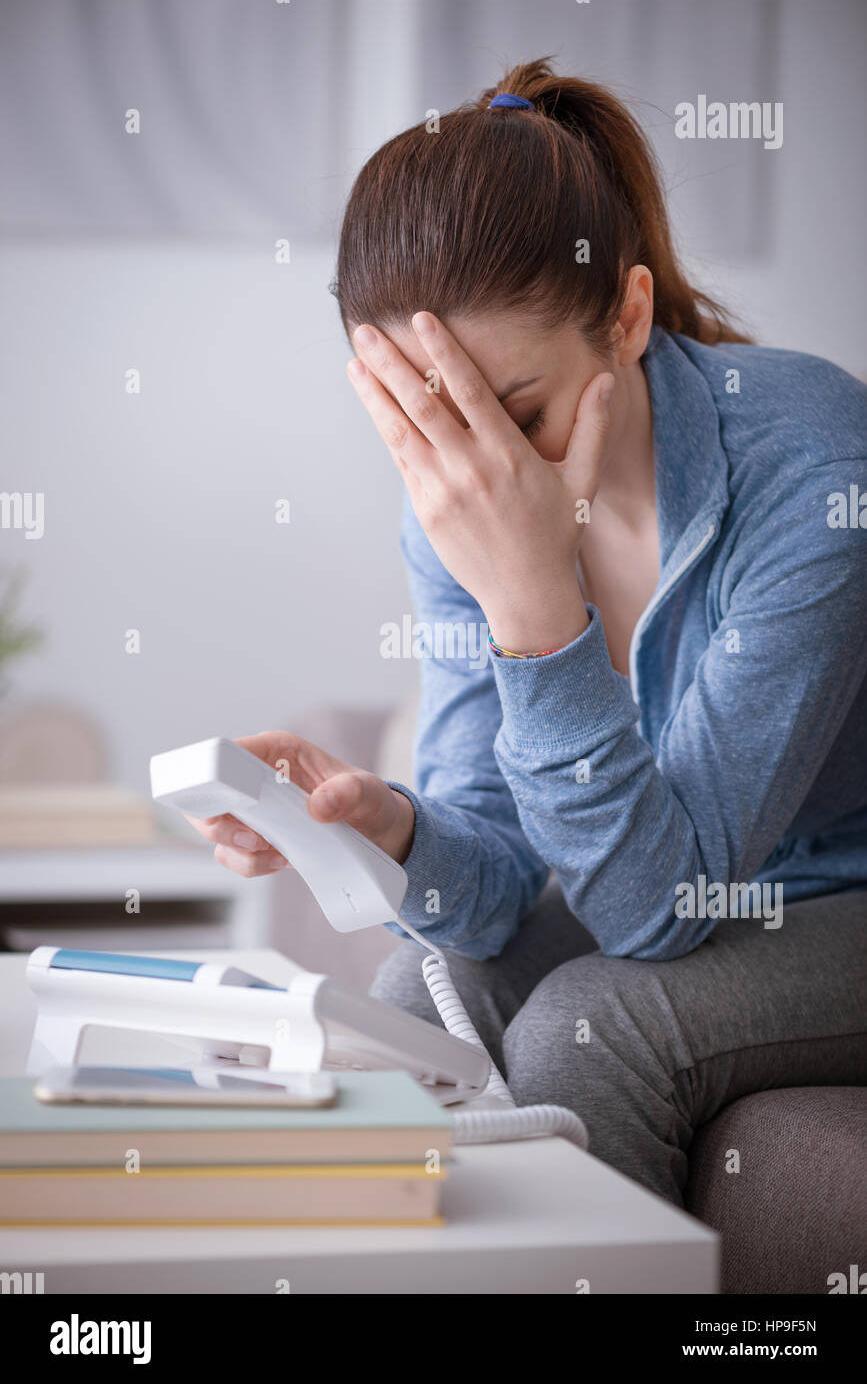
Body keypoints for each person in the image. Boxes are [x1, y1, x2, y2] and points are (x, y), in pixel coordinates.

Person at [190, 59, 867, 1207]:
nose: (481, 475)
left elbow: (659, 908)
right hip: (694, 895)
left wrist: (533, 603)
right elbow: (496, 883)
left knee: (589, 1029)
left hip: (839, 897)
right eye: (431, 427)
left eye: (517, 420)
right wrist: (389, 827)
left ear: (628, 317)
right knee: (411, 992)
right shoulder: (444, 501)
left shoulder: (817, 471)